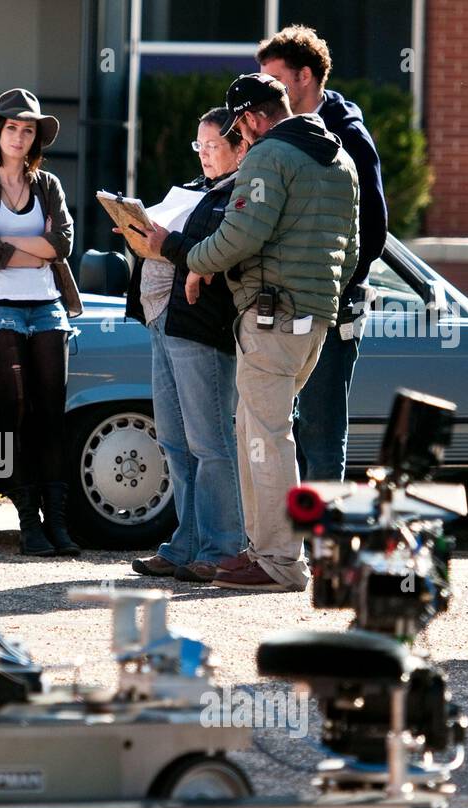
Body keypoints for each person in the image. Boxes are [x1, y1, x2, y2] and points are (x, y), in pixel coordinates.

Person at [183, 73, 359, 592]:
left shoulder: (268, 156)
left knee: (266, 437)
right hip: (316, 318)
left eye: (238, 128)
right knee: (261, 431)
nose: (240, 138)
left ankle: (280, 559)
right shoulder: (341, 159)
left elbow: (241, 233)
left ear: (252, 118)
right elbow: (351, 250)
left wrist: (192, 259)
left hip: (271, 315)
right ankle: (265, 550)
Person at [0, 88, 83, 556]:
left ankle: (58, 523)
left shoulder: (48, 185)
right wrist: (37, 251)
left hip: (46, 305)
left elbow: (63, 244)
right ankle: (28, 522)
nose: (19, 137)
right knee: (18, 414)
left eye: (28, 130)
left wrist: (17, 250)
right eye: (12, 128)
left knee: (52, 415)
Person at [257, 24, 388, 484]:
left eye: (276, 80)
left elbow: (373, 230)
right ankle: (286, 530)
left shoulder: (348, 136)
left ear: (305, 76)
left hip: (333, 306)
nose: (269, 91)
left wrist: (332, 283)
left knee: (321, 432)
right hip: (282, 305)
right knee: (282, 429)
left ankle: (320, 530)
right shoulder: (277, 133)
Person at [126, 107, 248, 582]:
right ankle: (186, 545)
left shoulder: (241, 194)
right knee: (176, 442)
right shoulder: (197, 190)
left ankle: (223, 548)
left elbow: (219, 255)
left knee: (209, 442)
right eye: (200, 146)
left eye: (214, 146)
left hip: (201, 326)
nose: (204, 155)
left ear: (240, 148)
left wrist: (167, 243)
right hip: (165, 321)